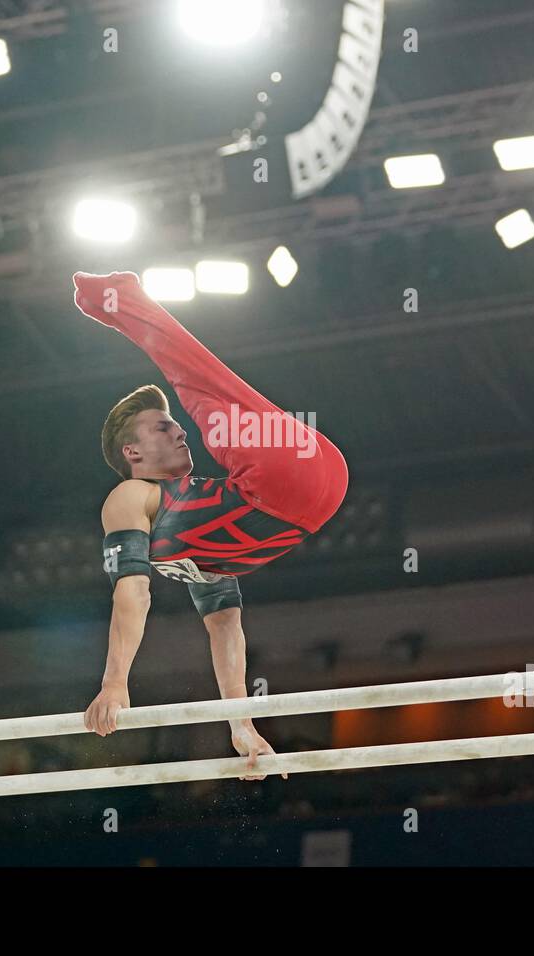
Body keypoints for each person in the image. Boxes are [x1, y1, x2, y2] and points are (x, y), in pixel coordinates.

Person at [73, 271, 349, 781]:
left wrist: (116, 682)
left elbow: (137, 596)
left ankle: (121, 295)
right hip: (312, 493)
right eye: (161, 426)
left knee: (198, 382)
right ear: (131, 453)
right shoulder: (133, 497)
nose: (179, 430)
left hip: (292, 474)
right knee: (197, 384)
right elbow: (220, 625)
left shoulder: (179, 504)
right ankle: (119, 297)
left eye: (173, 423)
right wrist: (239, 723)